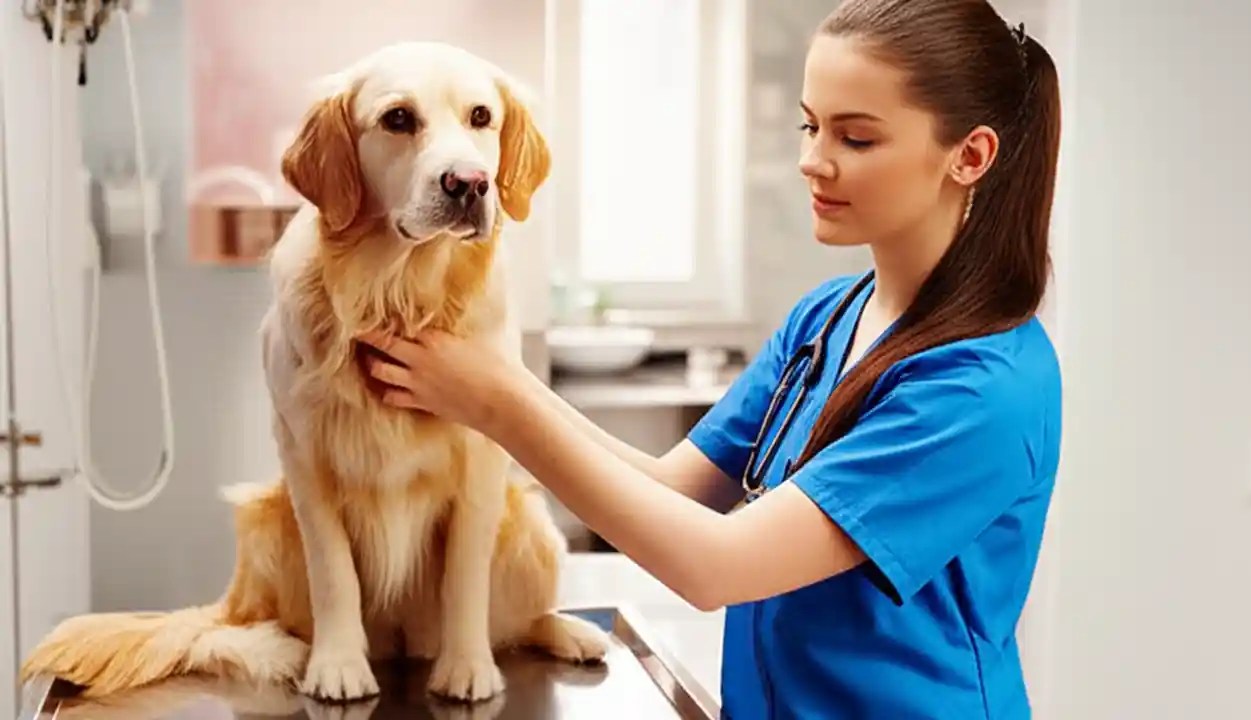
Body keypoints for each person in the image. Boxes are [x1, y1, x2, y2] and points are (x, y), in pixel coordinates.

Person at [360, 0, 1063, 717]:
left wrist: (496, 406)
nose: (811, 161)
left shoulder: (979, 390)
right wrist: (499, 379)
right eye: (810, 125)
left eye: (855, 138)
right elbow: (675, 489)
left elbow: (717, 566)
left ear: (969, 156)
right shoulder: (826, 319)